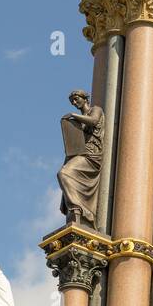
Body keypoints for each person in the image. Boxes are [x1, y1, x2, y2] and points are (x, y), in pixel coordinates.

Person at [56, 89, 104, 225]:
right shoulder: (77, 123)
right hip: (81, 154)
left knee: (63, 173)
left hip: (92, 155)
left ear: (85, 98)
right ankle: (77, 208)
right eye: (72, 101)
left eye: (77, 99)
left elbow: (94, 121)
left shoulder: (96, 110)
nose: (74, 102)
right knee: (63, 173)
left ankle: (80, 209)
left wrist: (73, 115)